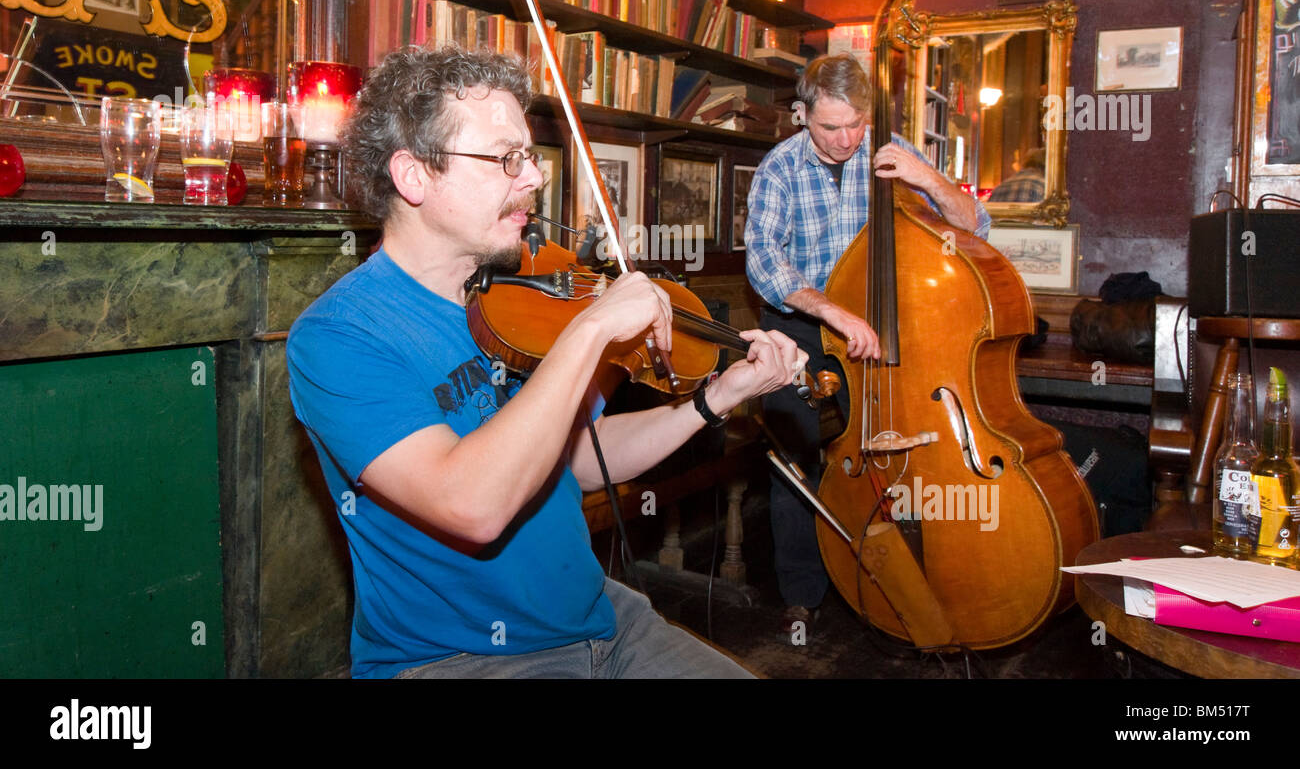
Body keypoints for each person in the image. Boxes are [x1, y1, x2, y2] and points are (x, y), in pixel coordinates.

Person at [287, 46, 806, 678]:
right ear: (414, 175)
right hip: (459, 660)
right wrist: (590, 332)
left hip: (602, 620)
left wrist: (714, 398)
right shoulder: (341, 335)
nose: (533, 177)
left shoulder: (520, 298)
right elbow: (472, 507)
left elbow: (579, 459)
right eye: (506, 159)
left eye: (529, 157)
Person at [744, 53, 991, 634]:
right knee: (800, 463)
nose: (846, 139)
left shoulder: (890, 149)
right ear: (802, 115)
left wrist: (925, 177)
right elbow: (763, 261)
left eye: (857, 124)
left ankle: (901, 581)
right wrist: (831, 310)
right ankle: (801, 598)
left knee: (897, 452)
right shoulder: (778, 168)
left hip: (883, 329)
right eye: (831, 127)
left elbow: (975, 225)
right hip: (804, 326)